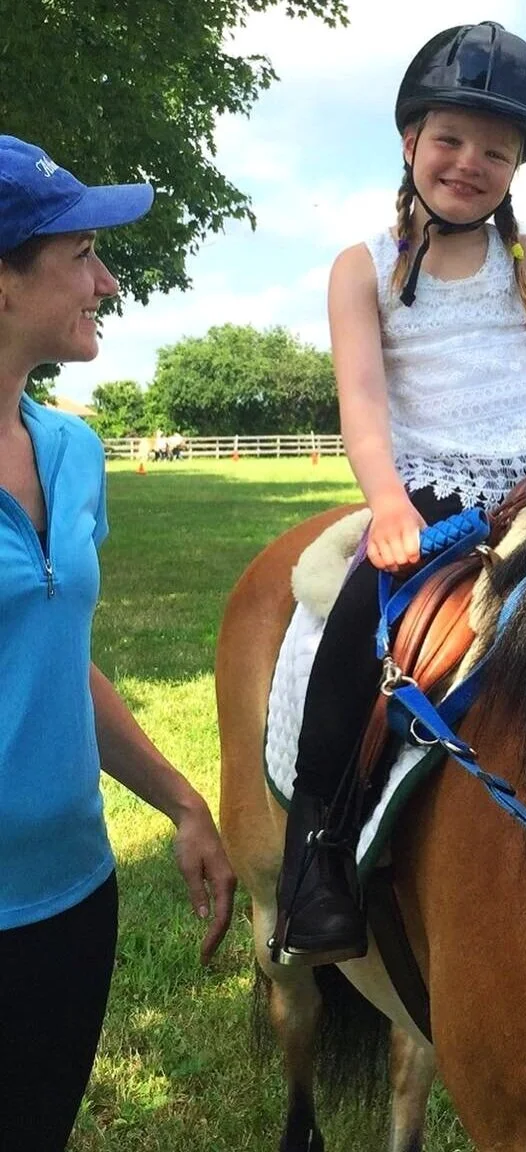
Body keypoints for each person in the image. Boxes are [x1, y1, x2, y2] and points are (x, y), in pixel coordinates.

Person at [271, 22, 526, 966]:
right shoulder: (362, 264)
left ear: (519, 165)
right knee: (357, 618)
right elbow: (362, 401)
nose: (469, 163)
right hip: (435, 478)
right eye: (450, 139)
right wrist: (390, 503)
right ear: (410, 142)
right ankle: (317, 849)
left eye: (497, 149)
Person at [0, 135, 236, 1151]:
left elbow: (58, 663)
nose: (109, 281)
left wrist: (184, 802)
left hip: (72, 899)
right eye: (83, 255)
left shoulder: (74, 449)